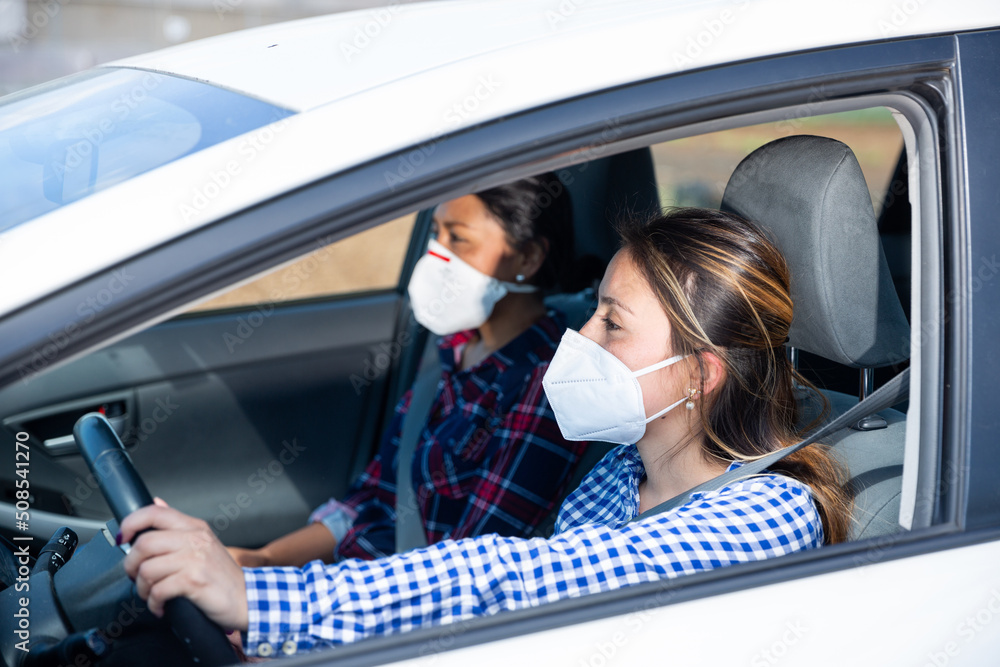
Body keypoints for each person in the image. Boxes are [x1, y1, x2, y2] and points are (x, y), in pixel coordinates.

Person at [121, 207, 851, 658]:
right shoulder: (622, 471)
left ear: (700, 374)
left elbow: (516, 580)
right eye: (592, 310)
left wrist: (270, 601)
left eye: (612, 324)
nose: (581, 334)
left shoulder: (766, 515)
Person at [227, 173, 588, 567]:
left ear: (528, 258)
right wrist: (261, 560)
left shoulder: (545, 385)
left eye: (459, 239)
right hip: (352, 576)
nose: (436, 253)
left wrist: (290, 599)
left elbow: (466, 569)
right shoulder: (449, 350)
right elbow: (370, 498)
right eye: (436, 233)